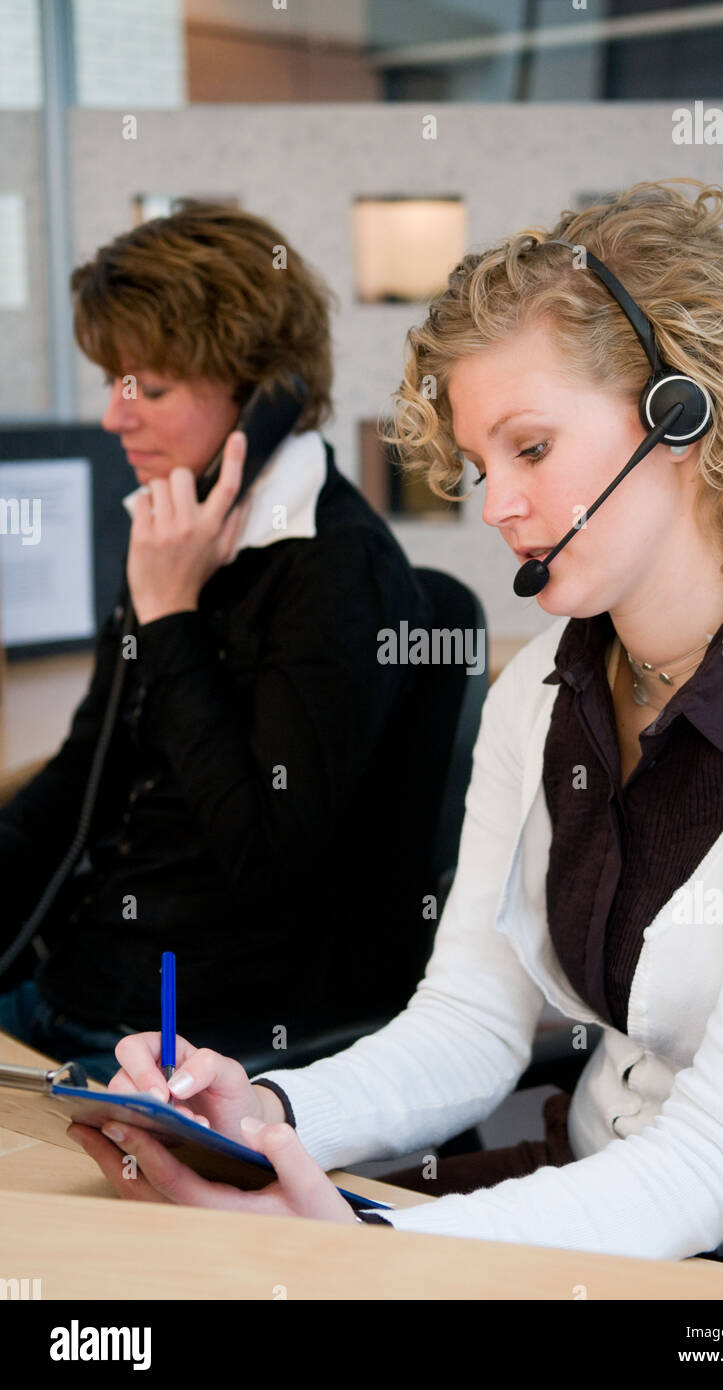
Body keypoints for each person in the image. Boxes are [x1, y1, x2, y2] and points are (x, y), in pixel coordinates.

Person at [70, 179, 723, 1278]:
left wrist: (371, 1239)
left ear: (685, 415)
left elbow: (717, 1155)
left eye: (528, 450)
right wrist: (261, 1107)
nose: (491, 506)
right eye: (480, 464)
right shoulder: (539, 688)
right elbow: (470, 1028)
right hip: (580, 1200)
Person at [0, 200, 438, 1083]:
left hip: (191, 1037)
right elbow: (85, 777)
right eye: (115, 385)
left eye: (150, 389)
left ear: (261, 394)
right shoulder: (177, 533)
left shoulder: (336, 572)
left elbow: (264, 856)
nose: (117, 419)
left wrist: (170, 619)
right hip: (76, 986)